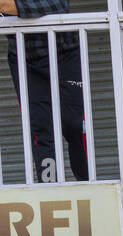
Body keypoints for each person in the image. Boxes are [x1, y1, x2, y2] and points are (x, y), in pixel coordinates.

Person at [1, 0, 89, 181]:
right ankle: (50, 187)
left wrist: (12, 6)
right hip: (24, 60)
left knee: (74, 125)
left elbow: (57, 6)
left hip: (65, 53)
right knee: (40, 129)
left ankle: (89, 183)